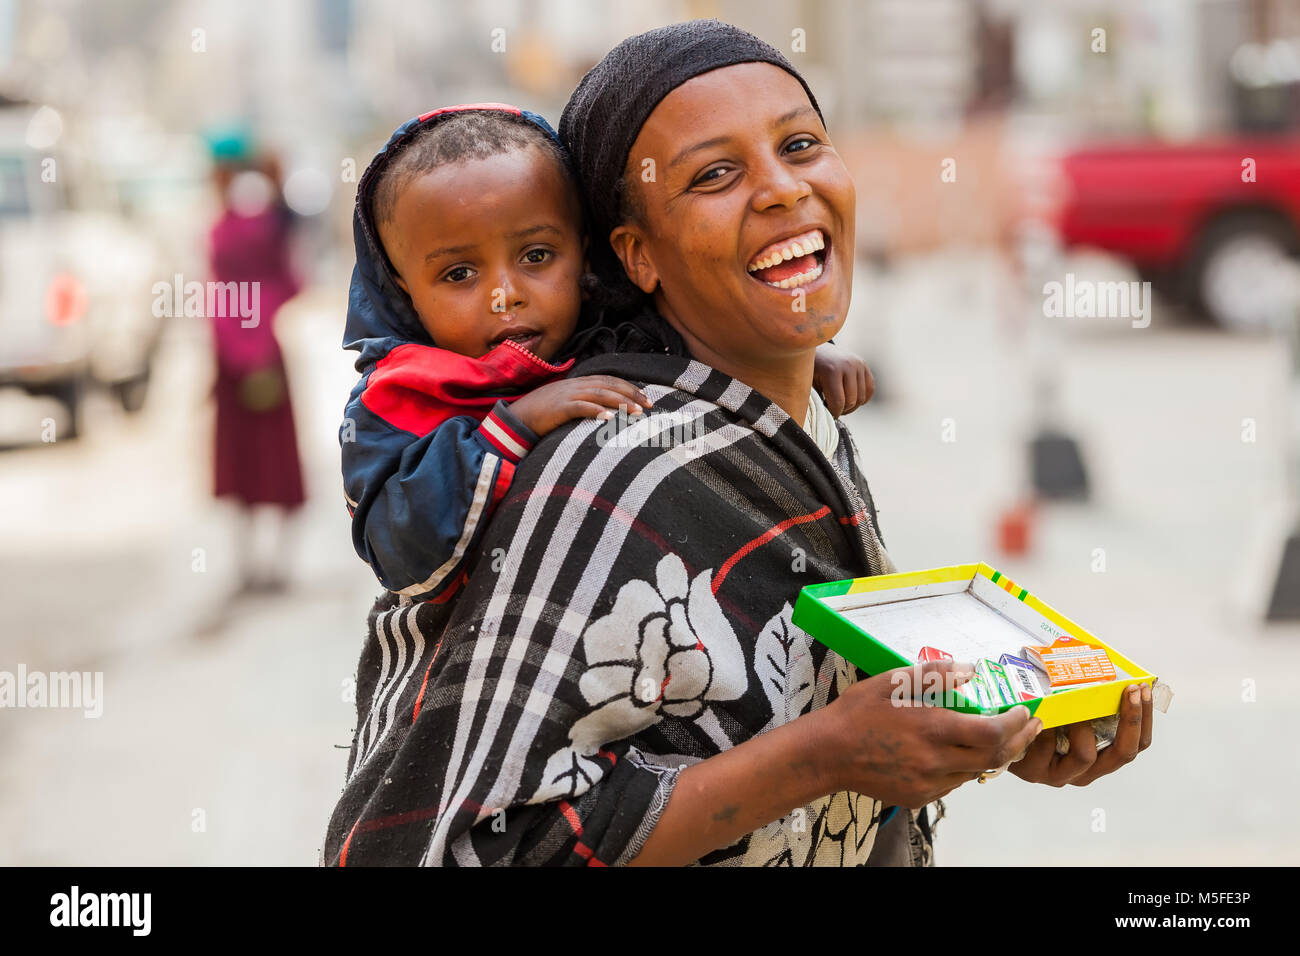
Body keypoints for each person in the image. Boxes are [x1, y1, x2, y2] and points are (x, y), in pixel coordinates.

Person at [322, 21, 1152, 868]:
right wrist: (823, 755)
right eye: (716, 173)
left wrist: (999, 727)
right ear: (635, 255)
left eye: (801, 144)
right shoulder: (609, 468)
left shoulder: (793, 413)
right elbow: (465, 846)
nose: (783, 190)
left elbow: (786, 702)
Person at [341, 103, 874, 603]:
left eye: (537, 255)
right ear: (402, 286)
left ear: (584, 249)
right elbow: (400, 551)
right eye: (459, 274)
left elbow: (694, 343)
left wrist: (794, 356)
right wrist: (513, 427)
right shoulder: (396, 401)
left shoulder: (604, 327)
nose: (506, 294)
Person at [207, 139, 306, 594]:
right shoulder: (269, 225)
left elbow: (219, 297)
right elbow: (291, 283)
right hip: (265, 355)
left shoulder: (221, 231)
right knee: (277, 464)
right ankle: (276, 566)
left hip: (233, 363)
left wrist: (237, 349)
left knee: (241, 466)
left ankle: (247, 566)